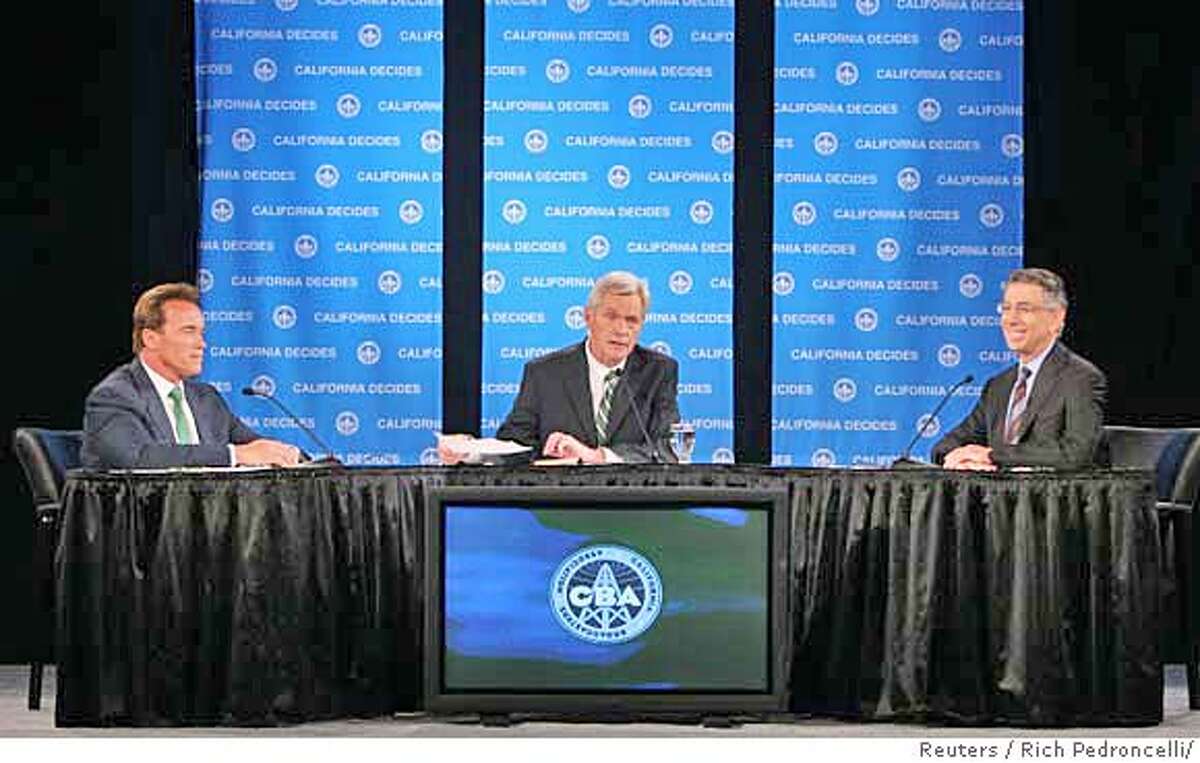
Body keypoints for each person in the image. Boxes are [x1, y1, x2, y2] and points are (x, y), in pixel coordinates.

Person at [441, 271, 680, 464]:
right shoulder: (545, 374)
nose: (622, 329)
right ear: (588, 318)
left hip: (634, 507)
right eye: (611, 316)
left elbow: (667, 448)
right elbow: (515, 444)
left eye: (632, 320)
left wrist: (597, 456)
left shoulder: (657, 372)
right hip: (561, 504)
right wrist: (469, 452)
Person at [82, 282, 301, 468]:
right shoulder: (115, 395)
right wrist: (234, 455)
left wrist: (291, 456)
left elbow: (255, 446)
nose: (202, 344)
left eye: (201, 332)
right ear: (150, 338)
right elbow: (137, 457)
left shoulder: (206, 398)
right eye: (189, 331)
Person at [932, 268, 1107, 470]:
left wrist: (992, 456)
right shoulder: (999, 386)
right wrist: (958, 457)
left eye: (1024, 309)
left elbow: (1076, 454)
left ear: (1057, 318)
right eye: (1006, 309)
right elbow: (944, 446)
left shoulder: (1080, 378)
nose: (1011, 319)